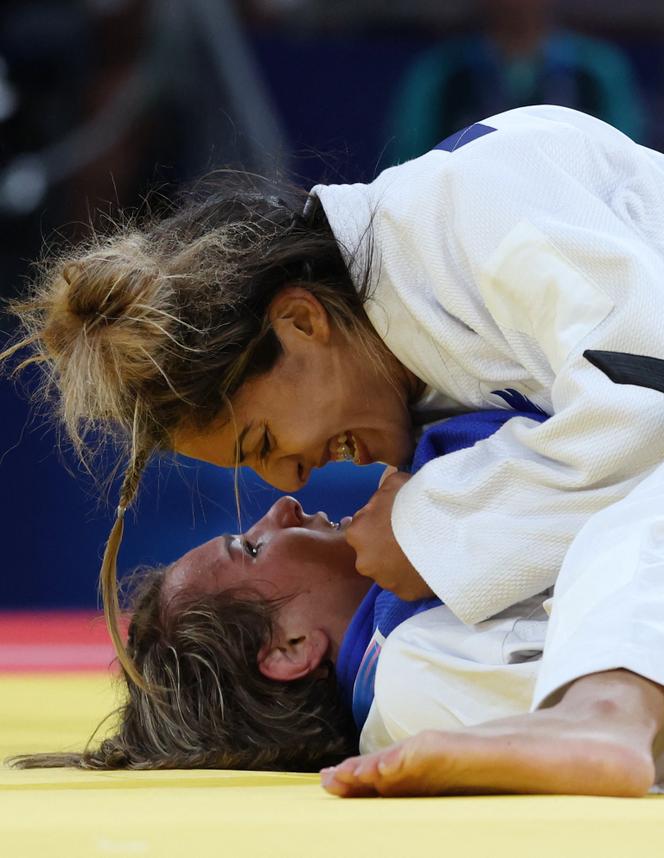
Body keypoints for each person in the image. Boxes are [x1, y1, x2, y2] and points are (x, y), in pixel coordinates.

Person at [4, 103, 664, 795]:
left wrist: (436, 529)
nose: (289, 480)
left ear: (300, 321)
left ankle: (606, 713)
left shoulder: (472, 209)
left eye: (261, 441)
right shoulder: (427, 388)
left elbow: (647, 410)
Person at [10, 494, 547, 772]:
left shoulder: (416, 634)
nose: (282, 507)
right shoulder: (417, 684)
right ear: (291, 648)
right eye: (252, 547)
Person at [385, 0, 645, 164]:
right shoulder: (440, 74)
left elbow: (628, 164)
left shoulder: (599, 71)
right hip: (467, 228)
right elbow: (407, 167)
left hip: (576, 229)